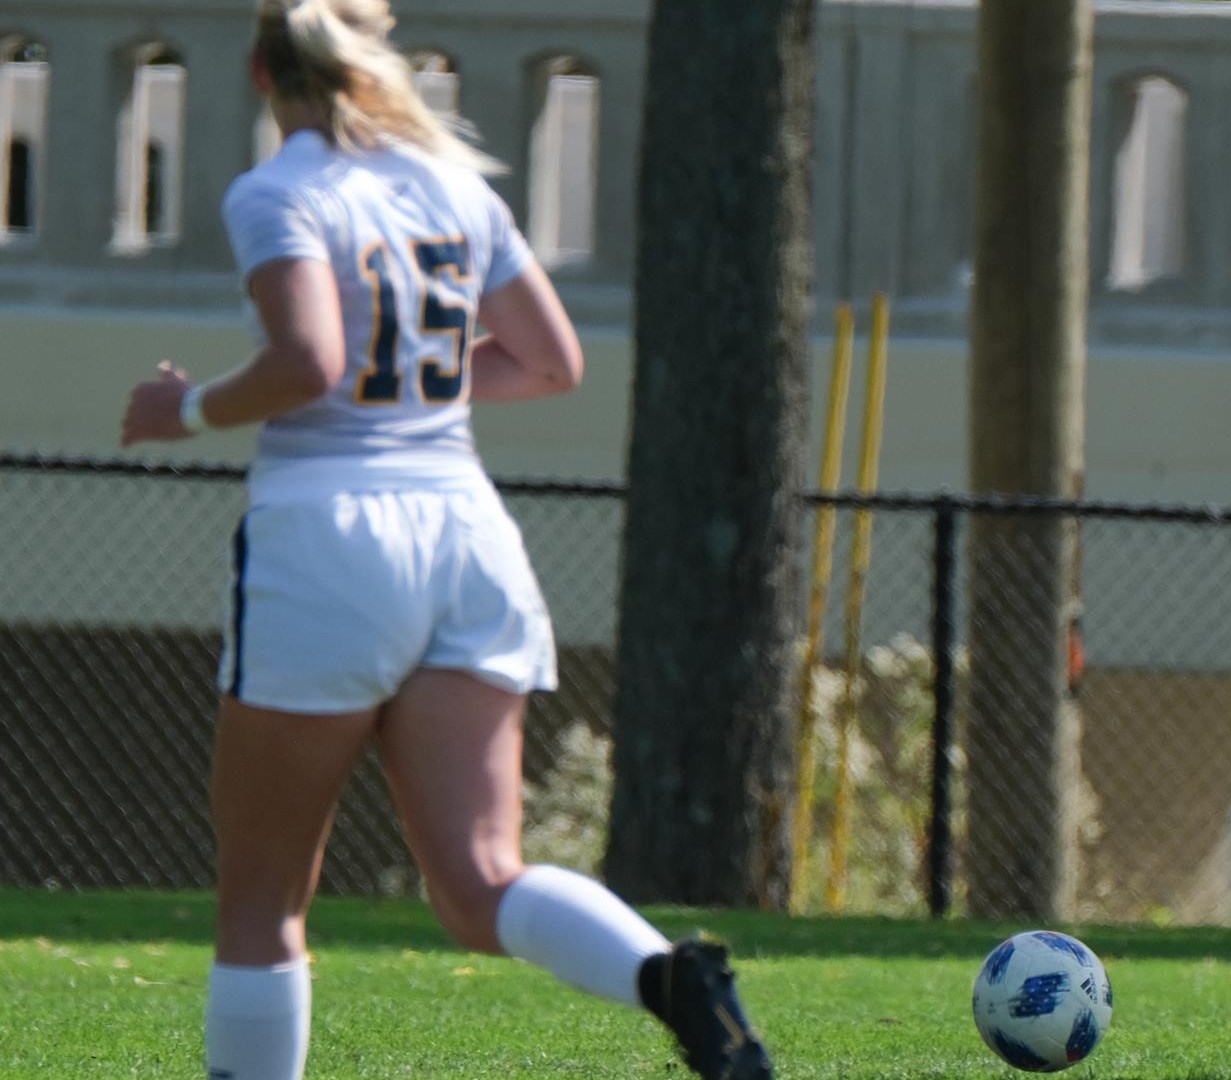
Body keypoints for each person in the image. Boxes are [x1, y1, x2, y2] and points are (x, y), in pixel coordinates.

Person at [117, 3, 773, 1078]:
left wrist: (182, 411)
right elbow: (551, 360)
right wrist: (408, 387)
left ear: (258, 69)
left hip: (330, 539)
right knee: (480, 883)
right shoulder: (453, 184)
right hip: (467, 536)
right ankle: (671, 977)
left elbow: (310, 363)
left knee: (261, 899)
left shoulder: (278, 190)